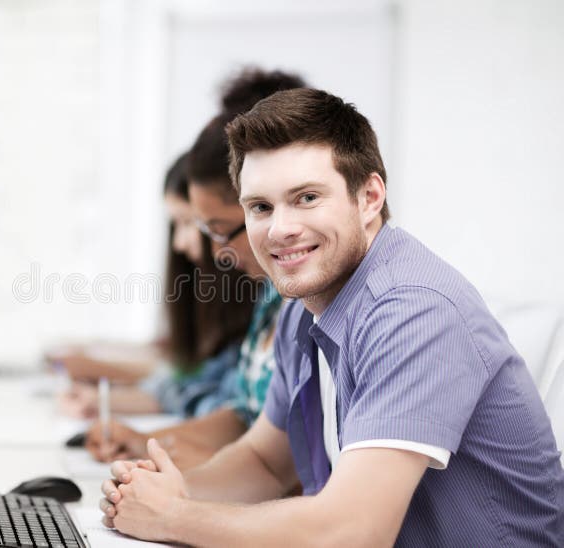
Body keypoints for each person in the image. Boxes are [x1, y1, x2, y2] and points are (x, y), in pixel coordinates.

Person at [97, 88, 564, 546]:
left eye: (306, 198)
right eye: (260, 207)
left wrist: (174, 517)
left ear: (369, 197)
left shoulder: (414, 311)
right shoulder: (303, 307)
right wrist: (160, 493)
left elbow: (354, 532)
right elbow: (264, 462)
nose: (280, 229)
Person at [85, 68, 306, 467]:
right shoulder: (275, 295)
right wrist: (149, 446)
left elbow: (284, 465)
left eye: (213, 229)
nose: (214, 251)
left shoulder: (322, 302)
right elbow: (246, 420)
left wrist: (172, 467)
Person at [57, 152, 255, 419]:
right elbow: (189, 377)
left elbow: (220, 403)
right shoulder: (229, 306)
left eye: (188, 222)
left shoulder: (261, 303)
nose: (179, 244)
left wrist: (104, 386)